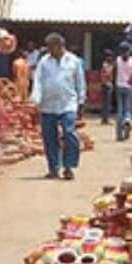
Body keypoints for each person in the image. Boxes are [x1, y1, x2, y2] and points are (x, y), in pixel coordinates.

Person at [31, 33, 86, 180]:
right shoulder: (44, 62)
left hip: (68, 103)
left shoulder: (73, 61)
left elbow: (80, 82)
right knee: (49, 137)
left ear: (60, 46)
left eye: (51, 47)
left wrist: (81, 102)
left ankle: (69, 166)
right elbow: (38, 81)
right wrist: (36, 100)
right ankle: (53, 168)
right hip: (48, 105)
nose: (49, 50)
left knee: (70, 134)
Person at [114, 42, 132, 141]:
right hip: (130, 86)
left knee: (120, 109)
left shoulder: (118, 60)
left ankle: (119, 135)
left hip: (119, 86)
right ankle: (127, 120)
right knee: (128, 108)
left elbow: (114, 72)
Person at [99, 50, 115, 126]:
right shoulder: (105, 65)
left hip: (108, 84)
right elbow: (105, 74)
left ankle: (105, 118)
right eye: (109, 56)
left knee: (107, 103)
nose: (110, 58)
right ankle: (105, 119)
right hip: (106, 85)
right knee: (106, 103)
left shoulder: (110, 64)